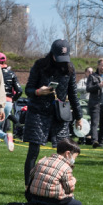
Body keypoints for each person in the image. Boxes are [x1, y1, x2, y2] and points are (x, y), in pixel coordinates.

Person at [24, 40, 83, 183]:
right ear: (52, 54)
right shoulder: (39, 65)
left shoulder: (70, 68)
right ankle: (28, 185)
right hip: (38, 112)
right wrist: (39, 91)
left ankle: (62, 183)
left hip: (59, 114)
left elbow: (73, 94)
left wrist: (78, 116)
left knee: (64, 151)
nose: (62, 61)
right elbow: (28, 89)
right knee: (33, 151)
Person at [25, 139, 82, 205]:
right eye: (74, 157)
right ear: (67, 154)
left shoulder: (43, 160)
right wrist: (73, 181)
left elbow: (31, 175)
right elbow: (69, 189)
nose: (74, 160)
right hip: (52, 200)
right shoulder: (66, 167)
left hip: (34, 197)